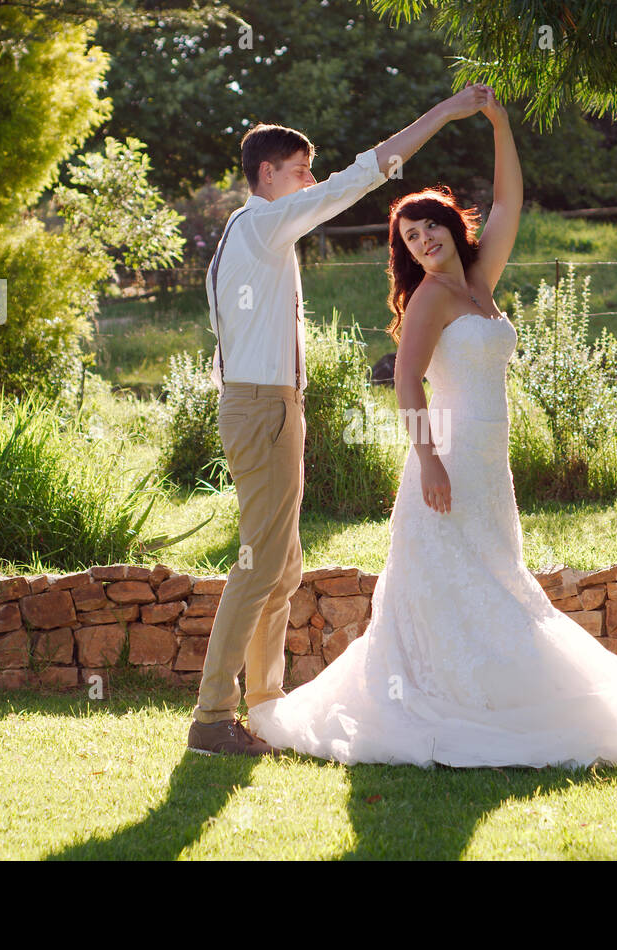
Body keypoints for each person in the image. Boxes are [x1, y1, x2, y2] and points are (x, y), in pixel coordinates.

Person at [246, 87, 617, 768]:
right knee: (448, 586)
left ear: (453, 227)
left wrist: (500, 122)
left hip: (488, 462)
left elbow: (510, 204)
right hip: (445, 458)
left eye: (429, 228)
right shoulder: (428, 299)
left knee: (497, 576)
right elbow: (404, 378)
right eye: (410, 239)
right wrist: (428, 460)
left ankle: (493, 700)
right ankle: (442, 704)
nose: (422, 242)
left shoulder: (481, 280)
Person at [187, 85, 493, 756]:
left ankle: (264, 705)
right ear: (268, 175)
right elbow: (363, 175)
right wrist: (443, 113)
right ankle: (212, 716)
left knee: (283, 562)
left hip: (268, 403)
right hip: (260, 404)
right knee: (259, 560)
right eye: (301, 171)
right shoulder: (263, 224)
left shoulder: (257, 235)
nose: (311, 182)